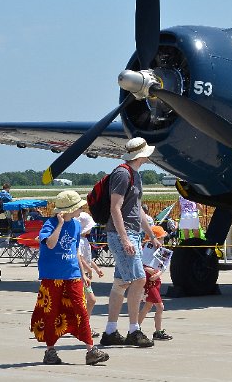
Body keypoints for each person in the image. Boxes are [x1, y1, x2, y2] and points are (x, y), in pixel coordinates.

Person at [30, 190, 109, 366]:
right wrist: (58, 224)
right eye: (77, 208)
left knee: (81, 309)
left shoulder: (76, 225)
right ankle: (50, 350)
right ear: (67, 210)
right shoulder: (49, 224)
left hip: (72, 274)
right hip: (53, 276)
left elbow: (75, 252)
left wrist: (83, 275)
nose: (81, 210)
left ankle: (91, 350)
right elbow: (50, 244)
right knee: (51, 312)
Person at [101, 137, 161, 349]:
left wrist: (151, 235)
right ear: (141, 155)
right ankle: (134, 330)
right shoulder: (122, 173)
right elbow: (115, 208)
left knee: (121, 283)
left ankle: (110, 331)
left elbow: (138, 210)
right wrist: (125, 238)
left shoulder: (135, 174)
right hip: (121, 235)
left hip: (132, 234)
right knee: (138, 280)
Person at [139, 225, 173, 341]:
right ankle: (157, 331)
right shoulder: (147, 248)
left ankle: (136, 328)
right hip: (149, 280)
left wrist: (158, 274)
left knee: (148, 306)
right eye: (161, 237)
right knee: (160, 306)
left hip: (155, 279)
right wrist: (148, 270)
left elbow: (163, 266)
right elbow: (141, 264)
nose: (163, 240)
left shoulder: (161, 250)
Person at [77, 211, 104, 334]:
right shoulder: (79, 241)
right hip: (81, 275)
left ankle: (84, 325)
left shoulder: (85, 240)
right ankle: (83, 326)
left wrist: (96, 268)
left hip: (86, 275)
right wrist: (88, 269)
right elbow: (80, 259)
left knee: (89, 301)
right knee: (88, 301)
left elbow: (88, 259)